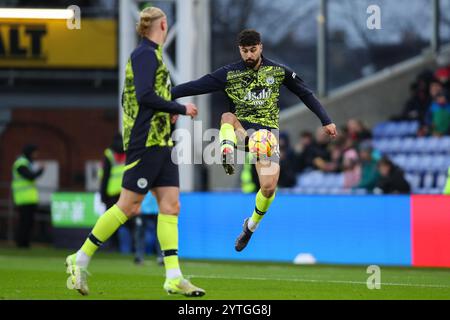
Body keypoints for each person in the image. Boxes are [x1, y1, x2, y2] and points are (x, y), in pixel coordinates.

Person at [65, 6, 204, 297]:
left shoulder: (152, 55)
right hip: (146, 142)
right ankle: (79, 259)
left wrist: (172, 110)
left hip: (162, 141)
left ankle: (173, 276)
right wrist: (180, 107)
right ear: (164, 25)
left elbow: (155, 96)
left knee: (171, 206)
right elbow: (145, 96)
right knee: (128, 206)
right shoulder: (144, 54)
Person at [172, 29, 337, 252]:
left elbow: (305, 93)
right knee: (227, 117)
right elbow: (196, 85)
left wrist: (326, 120)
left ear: (260, 47)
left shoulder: (278, 71)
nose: (248, 55)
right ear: (239, 50)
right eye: (244, 51)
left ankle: (250, 226)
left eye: (252, 50)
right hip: (241, 131)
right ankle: (227, 150)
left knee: (268, 188)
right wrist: (168, 98)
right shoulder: (229, 73)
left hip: (267, 137)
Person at [98, 133, 133, 253]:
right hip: (126, 191)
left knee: (112, 221)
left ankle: (113, 246)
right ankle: (131, 248)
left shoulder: (109, 154)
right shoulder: (128, 151)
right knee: (129, 221)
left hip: (111, 193)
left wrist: (102, 194)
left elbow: (105, 176)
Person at [11, 144, 44, 248]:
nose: (36, 155)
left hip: (29, 198)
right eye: (34, 152)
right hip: (23, 198)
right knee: (24, 222)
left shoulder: (27, 163)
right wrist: (41, 170)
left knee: (28, 222)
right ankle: (21, 243)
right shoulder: (21, 164)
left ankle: (24, 243)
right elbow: (30, 176)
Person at [134, 191, 163, 266]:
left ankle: (161, 257)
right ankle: (139, 256)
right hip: (143, 210)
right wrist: (137, 206)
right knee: (140, 234)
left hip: (158, 210)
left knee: (160, 234)